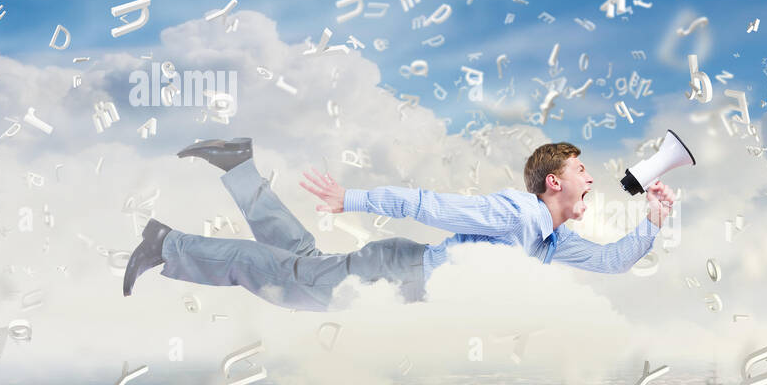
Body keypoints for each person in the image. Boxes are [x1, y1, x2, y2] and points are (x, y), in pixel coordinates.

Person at [122, 138, 677, 311]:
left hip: (399, 278)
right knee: (274, 279)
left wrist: (654, 217)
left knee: (300, 267)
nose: (593, 180)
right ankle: (166, 244)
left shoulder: (549, 243)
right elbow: (428, 204)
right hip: (391, 275)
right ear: (553, 182)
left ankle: (236, 164)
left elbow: (611, 261)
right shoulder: (515, 215)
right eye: (583, 171)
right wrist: (352, 198)